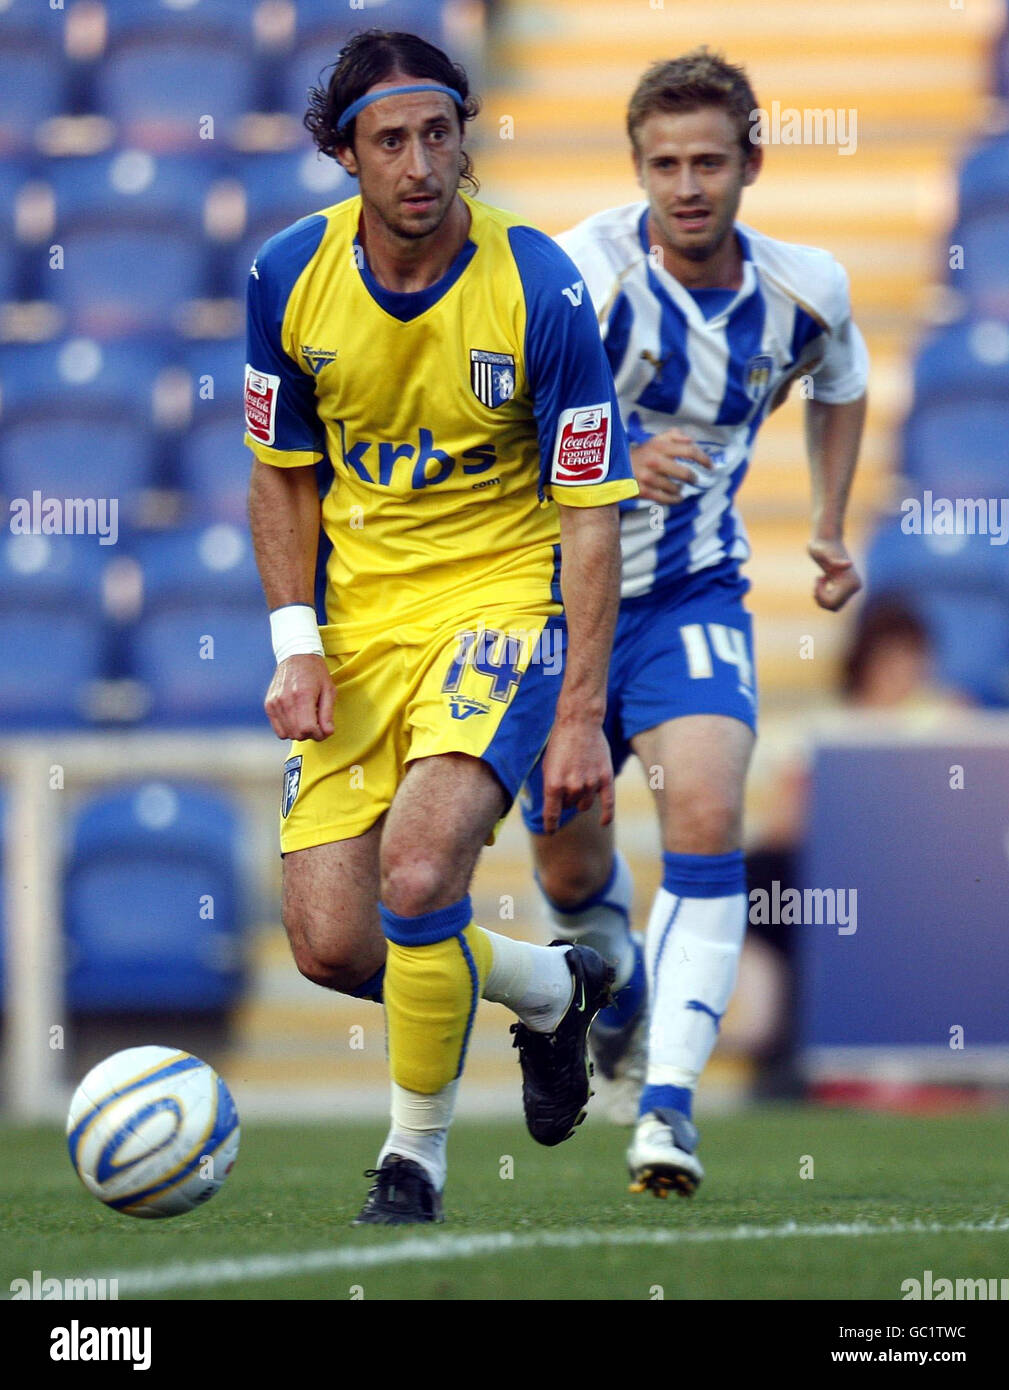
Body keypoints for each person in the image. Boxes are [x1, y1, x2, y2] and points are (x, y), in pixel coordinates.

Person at [244, 30, 638, 1226]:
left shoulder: (538, 284)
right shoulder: (285, 275)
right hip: (359, 627)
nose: (418, 165)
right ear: (343, 154)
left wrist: (580, 713)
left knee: (418, 876)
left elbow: (589, 512)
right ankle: (548, 989)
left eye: (437, 134)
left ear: (464, 136)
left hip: (499, 610)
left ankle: (411, 1161)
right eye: (389, 141)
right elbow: (279, 473)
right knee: (331, 943)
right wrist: (295, 641)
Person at [520, 48, 869, 1197]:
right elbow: (495, 419)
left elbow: (839, 379)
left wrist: (826, 524)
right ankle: (614, 981)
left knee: (708, 815)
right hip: (549, 607)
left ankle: (665, 1110)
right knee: (566, 856)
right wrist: (618, 449)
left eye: (707, 162)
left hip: (690, 596)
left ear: (748, 164)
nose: (685, 185)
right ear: (636, 168)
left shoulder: (803, 289)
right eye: (664, 163)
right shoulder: (579, 273)